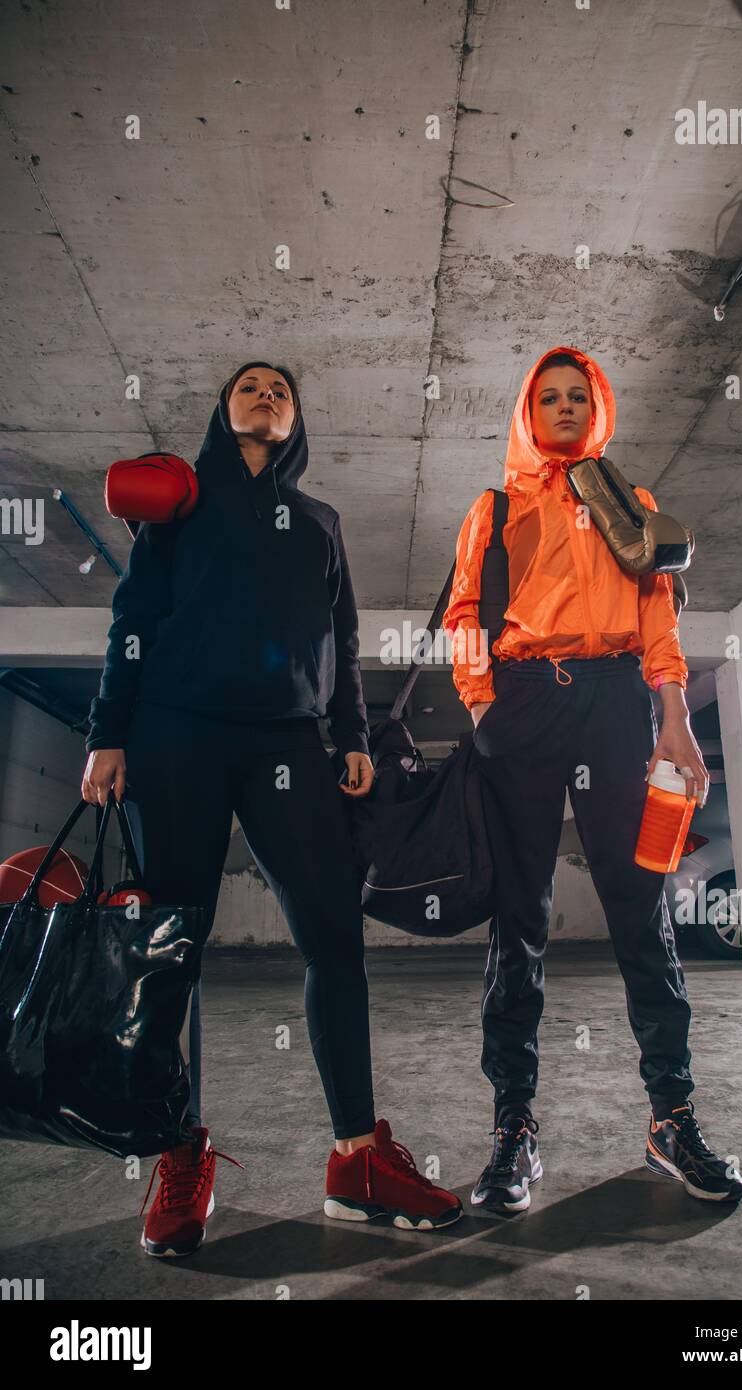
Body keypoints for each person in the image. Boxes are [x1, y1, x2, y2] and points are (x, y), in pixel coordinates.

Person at [82, 360, 461, 1254]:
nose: (266, 396)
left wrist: (355, 737)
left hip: (290, 745)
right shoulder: (179, 502)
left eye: (281, 392)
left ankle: (357, 1160)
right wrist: (110, 732)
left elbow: (341, 637)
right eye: (250, 387)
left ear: (296, 423)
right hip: (179, 737)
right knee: (172, 946)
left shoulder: (320, 524)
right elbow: (132, 620)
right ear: (223, 412)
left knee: (333, 936)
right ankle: (178, 1156)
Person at [442, 346, 742, 1213]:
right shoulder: (493, 507)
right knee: (520, 920)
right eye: (551, 397)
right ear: (528, 412)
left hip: (619, 706)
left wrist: (676, 718)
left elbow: (656, 619)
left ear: (598, 407)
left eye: (580, 395)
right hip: (525, 707)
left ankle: (672, 1119)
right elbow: (464, 616)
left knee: (642, 913)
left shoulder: (632, 505)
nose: (566, 407)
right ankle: (513, 1130)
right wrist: (481, 709)